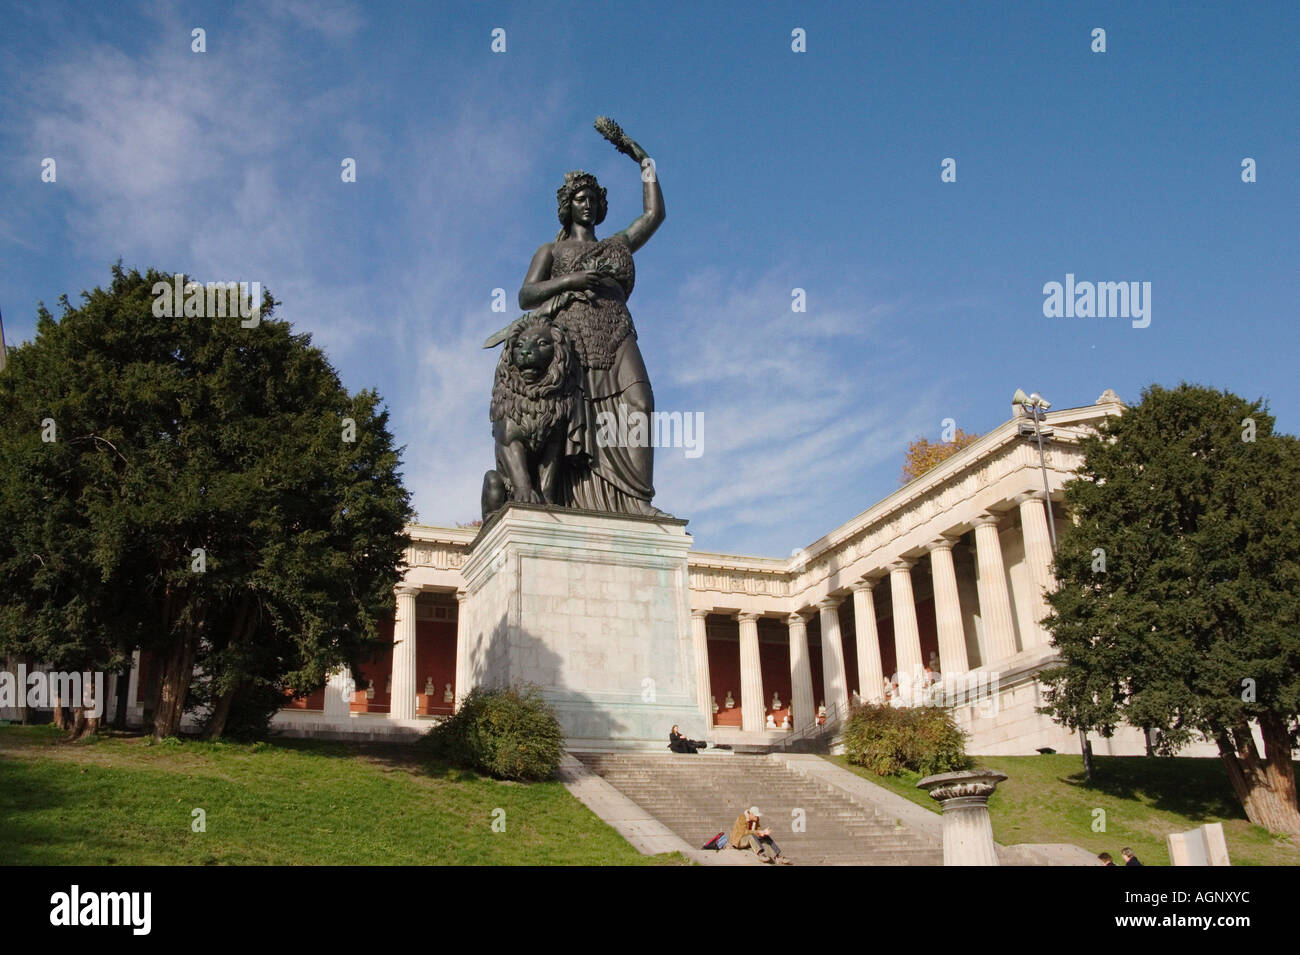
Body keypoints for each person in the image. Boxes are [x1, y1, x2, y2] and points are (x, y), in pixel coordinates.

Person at [515, 138, 667, 517]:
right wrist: (572, 280)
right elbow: (527, 294)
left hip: (616, 331)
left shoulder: (618, 244)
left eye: (593, 198)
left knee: (641, 404)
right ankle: (572, 499)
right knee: (576, 421)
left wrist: (644, 161)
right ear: (568, 206)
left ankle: (638, 499)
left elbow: (653, 216)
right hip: (571, 339)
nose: (588, 203)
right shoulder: (551, 251)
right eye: (580, 198)